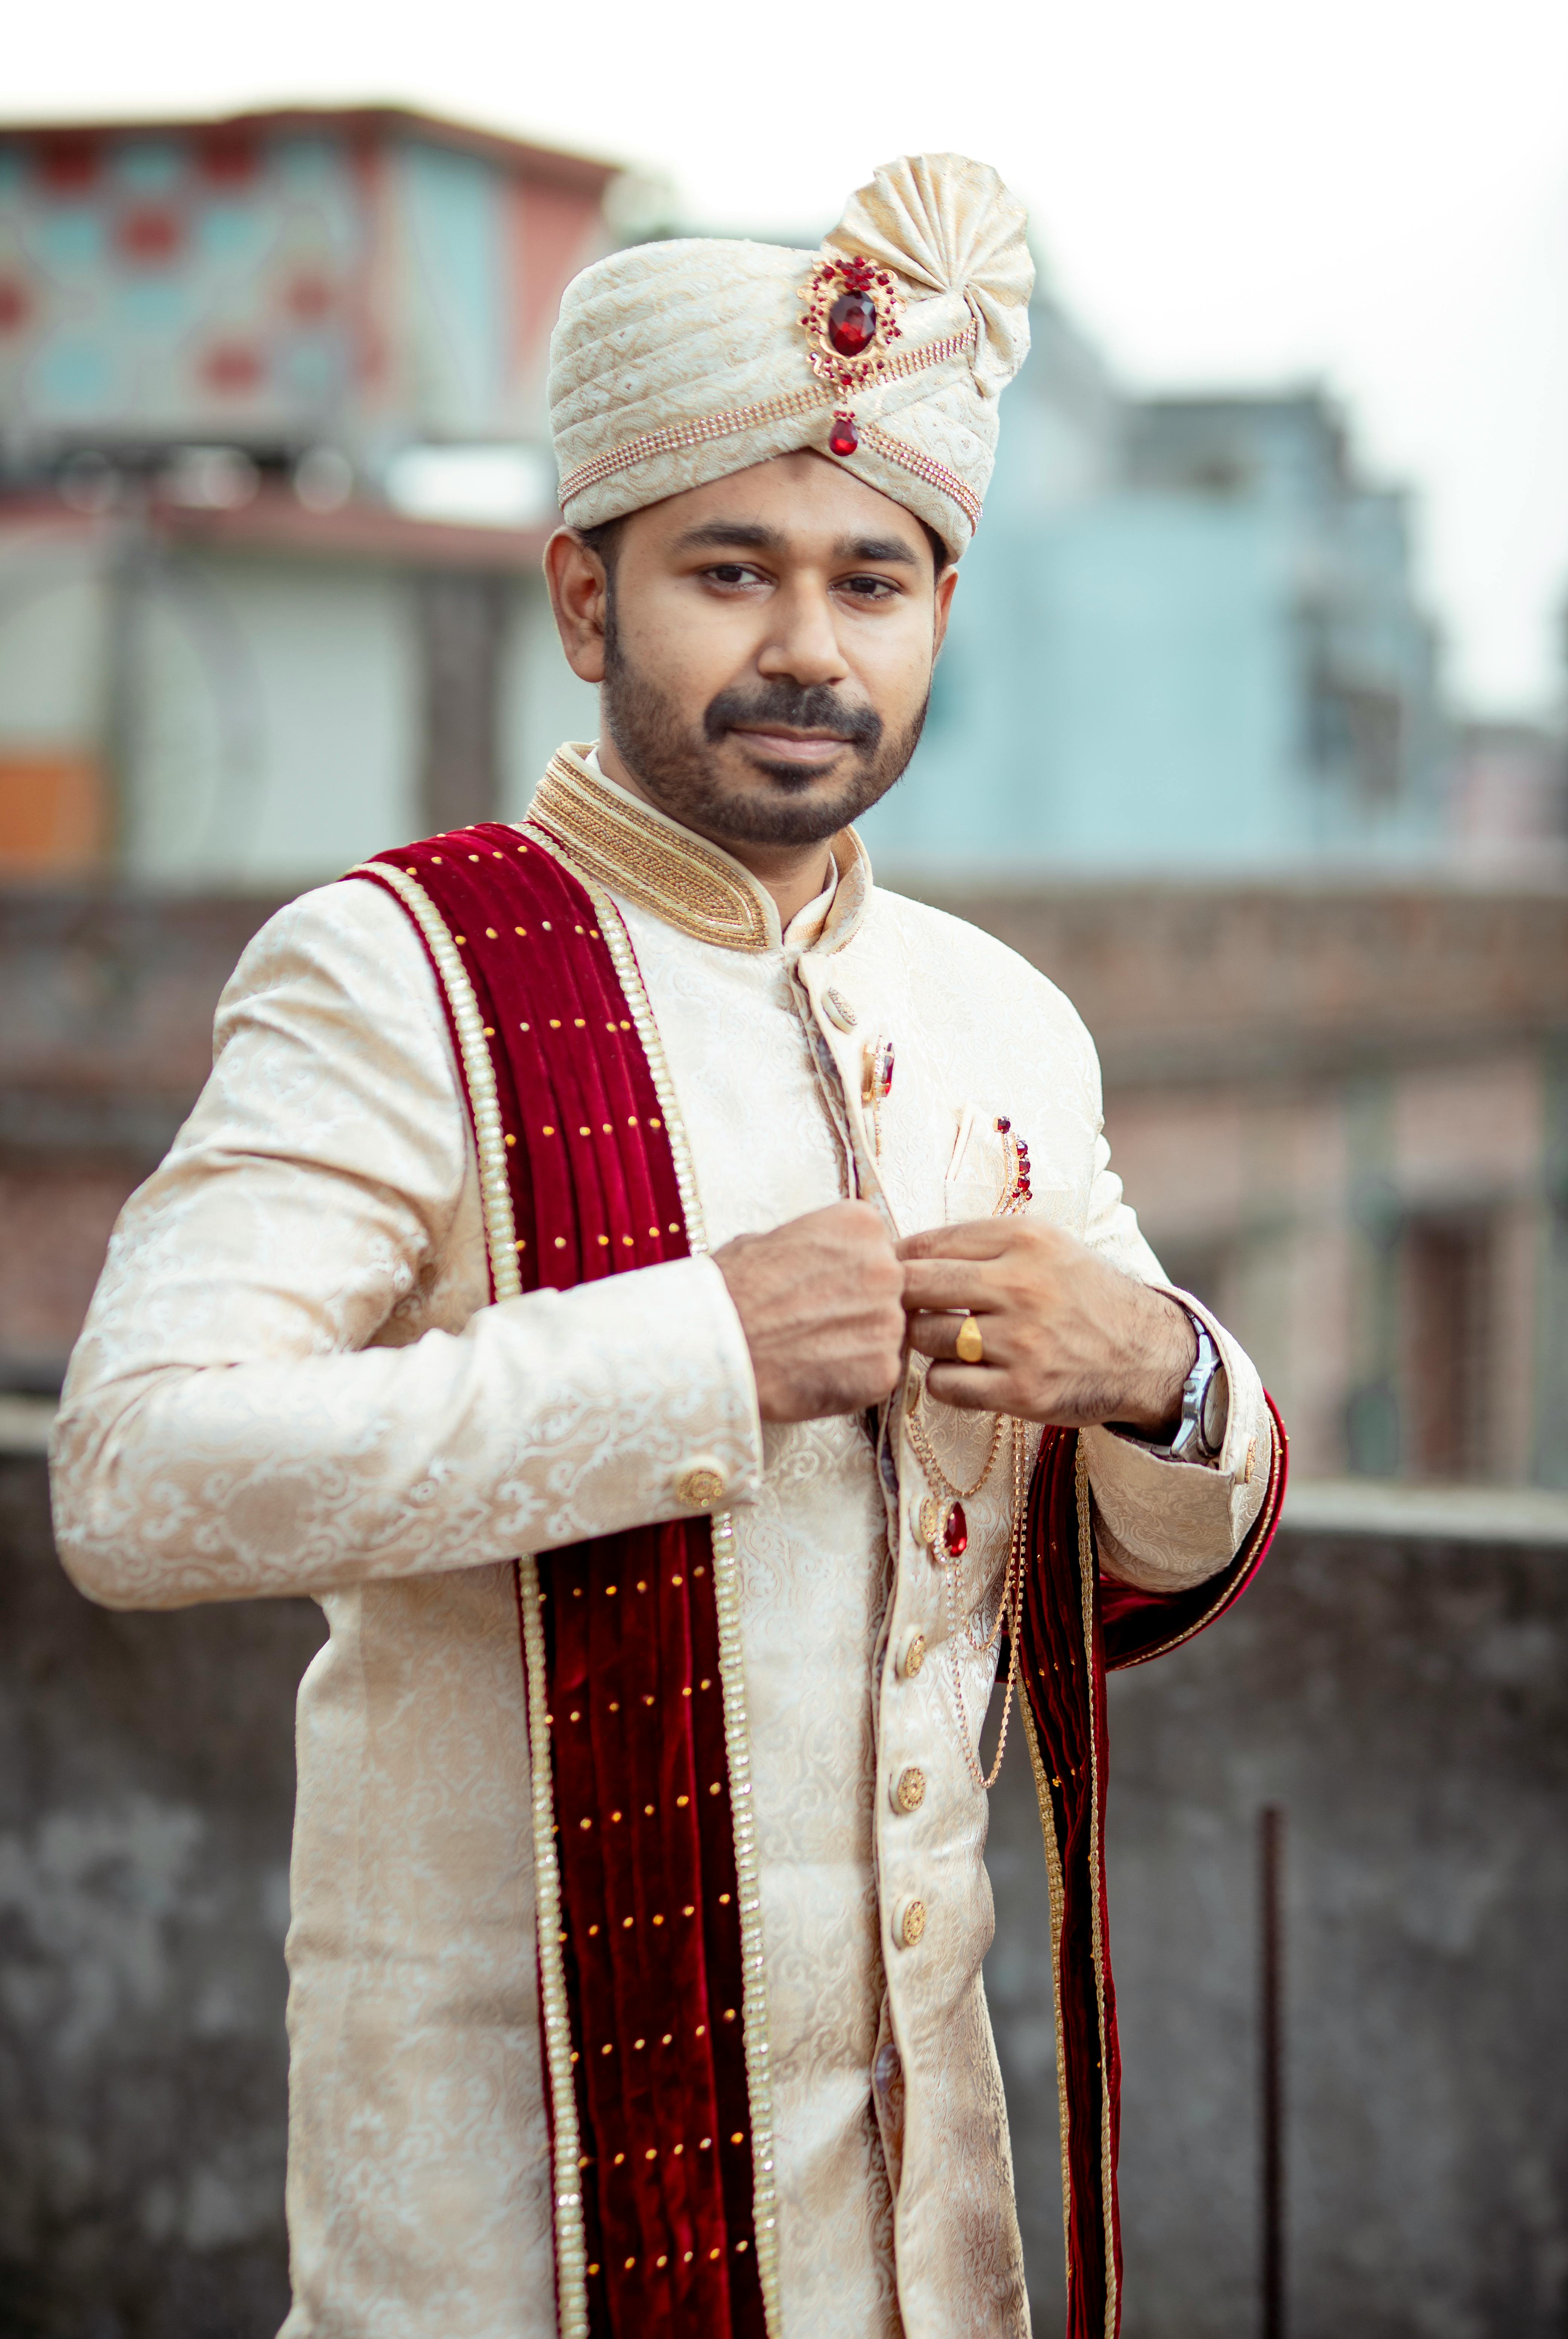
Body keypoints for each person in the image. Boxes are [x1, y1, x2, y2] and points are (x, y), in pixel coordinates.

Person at [51, 153, 1281, 2339]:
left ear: (939, 617)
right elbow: (137, 1475)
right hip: (503, 2252)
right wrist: (702, 1353)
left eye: (874, 582)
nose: (811, 647)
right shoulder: (398, 971)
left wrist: (1162, 1372)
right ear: (583, 598)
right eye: (732, 570)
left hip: (922, 2253)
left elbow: (1144, 1547)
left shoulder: (1002, 1023)